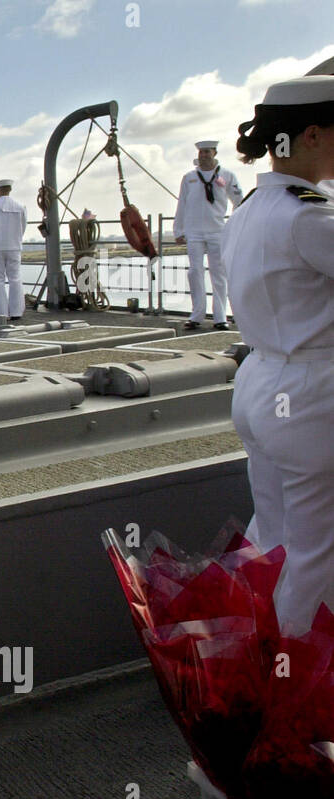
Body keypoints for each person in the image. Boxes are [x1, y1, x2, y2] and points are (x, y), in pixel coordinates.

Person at [222, 75, 334, 637]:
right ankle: (288, 690)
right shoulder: (309, 215)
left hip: (261, 384)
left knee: (274, 540)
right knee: (316, 558)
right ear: (312, 135)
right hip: (313, 395)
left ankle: (255, 655)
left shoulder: (248, 211)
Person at [174, 140, 246, 330]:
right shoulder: (189, 177)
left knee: (219, 273)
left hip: (217, 230)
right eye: (201, 152)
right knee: (194, 272)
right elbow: (182, 204)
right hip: (194, 230)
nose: (203, 155)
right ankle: (196, 315)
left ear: (214, 152)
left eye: (207, 152)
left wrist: (234, 224)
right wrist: (178, 230)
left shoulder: (227, 175)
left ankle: (220, 317)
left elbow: (239, 201)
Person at [0, 179, 27, 321]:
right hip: (14, 245)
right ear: (10, 189)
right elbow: (23, 226)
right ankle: (16, 311)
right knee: (15, 278)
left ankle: (2, 312)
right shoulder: (21, 206)